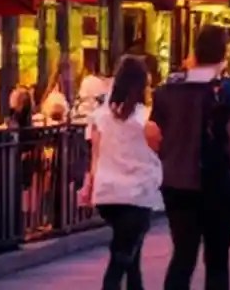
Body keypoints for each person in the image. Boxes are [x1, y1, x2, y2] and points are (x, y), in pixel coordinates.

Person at [151, 24, 230, 290]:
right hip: (217, 181)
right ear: (224, 52)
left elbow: (154, 133)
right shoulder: (229, 89)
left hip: (177, 182)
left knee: (183, 255)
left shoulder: (168, 89)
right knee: (217, 260)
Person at [78, 56, 163, 290]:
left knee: (130, 254)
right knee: (121, 257)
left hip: (108, 192)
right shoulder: (145, 119)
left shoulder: (100, 118)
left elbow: (95, 155)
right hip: (137, 193)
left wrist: (90, 185)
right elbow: (158, 149)